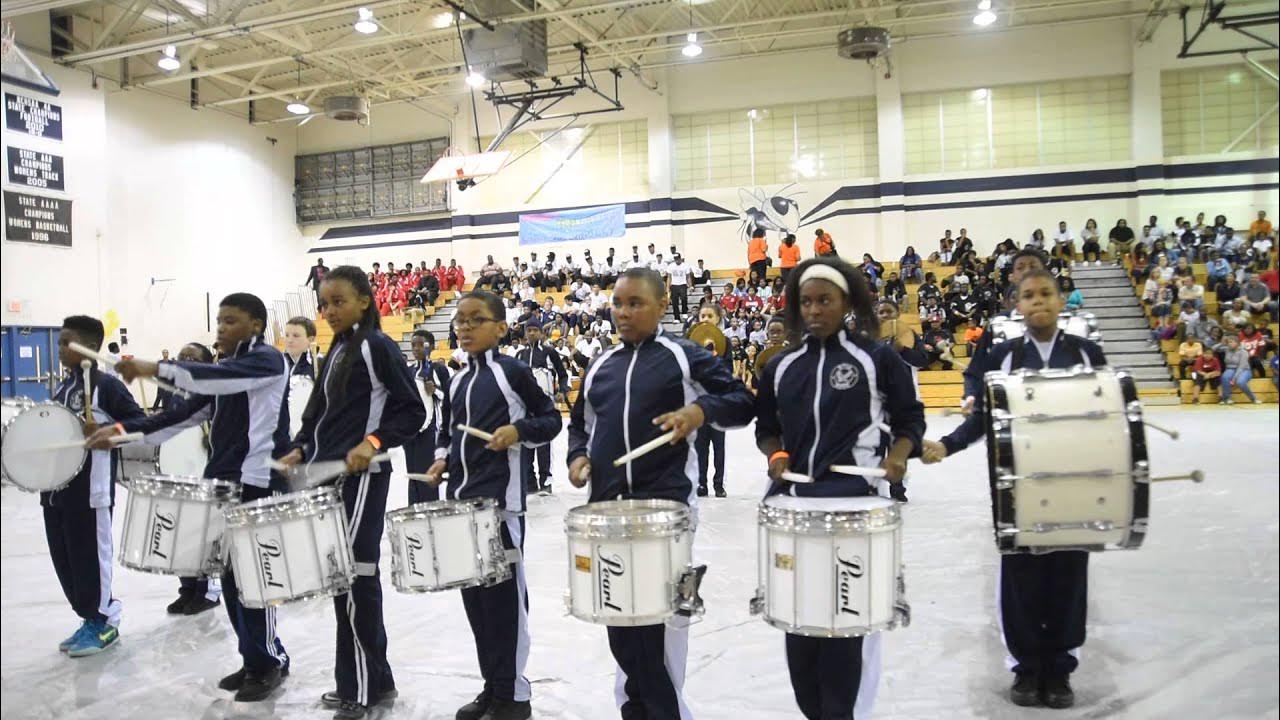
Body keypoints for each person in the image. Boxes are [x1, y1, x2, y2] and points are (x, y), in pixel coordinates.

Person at [567, 268, 755, 720]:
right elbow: (580, 426)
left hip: (665, 514)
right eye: (618, 303)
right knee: (621, 632)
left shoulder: (684, 356)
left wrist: (699, 409)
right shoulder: (600, 366)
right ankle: (641, 710)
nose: (624, 313)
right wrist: (577, 457)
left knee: (659, 635)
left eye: (636, 303)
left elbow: (743, 402)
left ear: (662, 304)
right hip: (608, 515)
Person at [922, 269, 1107, 710]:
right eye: (1028, 295)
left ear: (1062, 300)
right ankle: (1026, 670)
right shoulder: (1001, 356)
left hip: (1072, 484)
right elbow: (982, 417)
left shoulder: (1087, 353)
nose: (1038, 301)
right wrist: (946, 446)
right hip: (1016, 483)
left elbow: (1107, 415)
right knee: (1021, 578)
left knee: (1068, 575)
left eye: (1046, 293)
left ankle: (1059, 670)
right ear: (1017, 304)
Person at [755, 257, 924, 720]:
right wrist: (775, 455)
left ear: (846, 302)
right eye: (806, 302)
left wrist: (898, 455)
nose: (814, 310)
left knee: (844, 636)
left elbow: (910, 419)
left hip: (857, 506)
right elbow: (765, 428)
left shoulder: (877, 359)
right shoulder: (781, 365)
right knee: (800, 633)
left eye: (824, 300)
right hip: (796, 505)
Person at [100, 295, 291, 700]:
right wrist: (122, 433)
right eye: (219, 321)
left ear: (256, 324)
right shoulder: (223, 372)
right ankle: (254, 659)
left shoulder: (267, 361)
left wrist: (154, 367)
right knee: (230, 576)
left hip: (257, 481)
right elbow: (179, 416)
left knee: (253, 579)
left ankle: (269, 662)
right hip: (222, 482)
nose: (221, 328)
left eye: (232, 321)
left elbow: (213, 379)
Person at [274, 268, 426, 719]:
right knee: (348, 582)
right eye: (325, 304)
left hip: (362, 478)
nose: (330, 311)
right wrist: (301, 447)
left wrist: (375, 442)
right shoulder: (338, 347)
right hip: (329, 477)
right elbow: (318, 411)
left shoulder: (377, 346)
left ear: (364, 300)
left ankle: (359, 690)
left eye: (339, 301)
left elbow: (412, 410)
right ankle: (371, 681)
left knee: (354, 578)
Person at [422, 291, 562, 720]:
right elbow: (446, 431)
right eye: (459, 321)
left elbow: (551, 420)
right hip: (461, 509)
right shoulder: (459, 379)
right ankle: (492, 686)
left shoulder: (513, 373)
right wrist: (442, 458)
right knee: (477, 607)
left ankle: (514, 695)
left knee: (505, 607)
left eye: (475, 320)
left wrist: (518, 432)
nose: (463, 327)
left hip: (500, 508)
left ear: (501, 328)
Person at [43, 316, 144, 658]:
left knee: (90, 558)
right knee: (66, 559)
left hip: (90, 491)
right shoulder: (64, 386)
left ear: (87, 347)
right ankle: (87, 616)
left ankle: (104, 622)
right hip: (57, 489)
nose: (59, 350)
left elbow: (139, 423)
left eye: (65, 343)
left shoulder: (106, 386)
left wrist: (109, 432)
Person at [515, 322, 569, 495]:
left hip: (544, 404)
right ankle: (529, 482)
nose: (531, 333)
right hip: (524, 405)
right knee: (525, 441)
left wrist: (562, 390)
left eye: (534, 330)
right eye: (528, 331)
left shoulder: (549, 352)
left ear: (541, 333)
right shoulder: (519, 355)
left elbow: (562, 373)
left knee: (544, 442)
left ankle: (546, 480)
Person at [406, 330, 451, 504]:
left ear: (431, 347)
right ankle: (414, 507)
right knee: (413, 473)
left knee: (427, 471)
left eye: (421, 344)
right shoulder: (409, 371)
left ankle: (431, 507)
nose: (417, 349)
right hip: (411, 429)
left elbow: (449, 397)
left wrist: (435, 392)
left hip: (431, 427)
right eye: (413, 345)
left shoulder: (439, 369)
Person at [692, 302, 731, 498]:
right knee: (701, 447)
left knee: (719, 446)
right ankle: (701, 483)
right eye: (702, 316)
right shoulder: (691, 343)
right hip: (699, 404)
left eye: (710, 316)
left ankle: (718, 484)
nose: (706, 320)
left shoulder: (726, 343)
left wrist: (714, 355)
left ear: (718, 319)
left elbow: (727, 373)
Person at [1219, 335, 1260, 404]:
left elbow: (1241, 366)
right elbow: (1213, 349)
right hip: (1230, 369)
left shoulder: (1243, 352)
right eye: (1229, 342)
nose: (1230, 344)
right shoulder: (1227, 349)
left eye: (1232, 342)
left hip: (1244, 370)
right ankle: (1227, 399)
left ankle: (1253, 398)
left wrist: (1234, 378)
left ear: (1237, 343)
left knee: (1240, 382)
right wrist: (1221, 343)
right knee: (1224, 377)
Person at [667, 253, 693, 323]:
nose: (676, 260)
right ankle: (677, 318)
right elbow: (669, 277)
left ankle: (684, 312)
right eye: (675, 259)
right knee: (675, 302)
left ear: (680, 258)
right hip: (674, 285)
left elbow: (688, 277)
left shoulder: (685, 266)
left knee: (684, 298)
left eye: (677, 259)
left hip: (682, 284)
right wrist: (667, 287)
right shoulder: (671, 266)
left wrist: (690, 286)